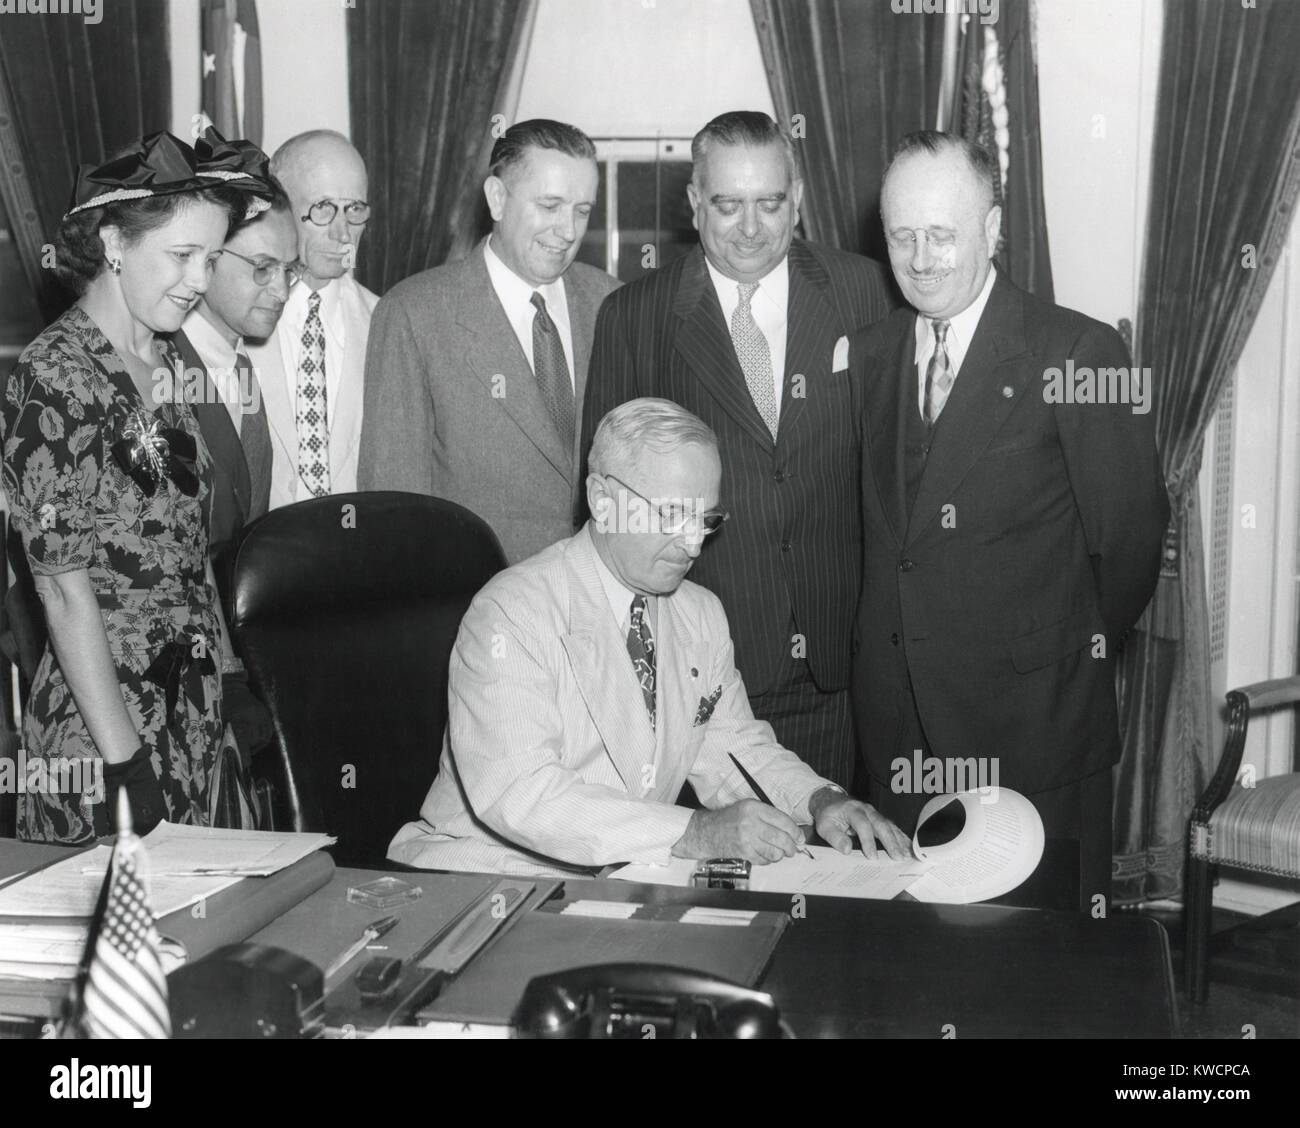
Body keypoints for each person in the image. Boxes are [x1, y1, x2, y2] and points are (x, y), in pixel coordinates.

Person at [848, 131, 1169, 909]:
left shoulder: (1079, 352)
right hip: (898, 739)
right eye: (902, 236)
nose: (921, 259)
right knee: (906, 983)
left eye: (943, 235)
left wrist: (1050, 656)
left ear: (993, 229)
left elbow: (1129, 542)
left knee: (1038, 988)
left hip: (1035, 737)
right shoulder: (870, 353)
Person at [389, 398, 909, 875]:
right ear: (601, 499)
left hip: (622, 877)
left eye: (705, 519)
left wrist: (820, 801)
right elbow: (521, 793)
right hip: (488, 877)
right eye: (671, 514)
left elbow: (729, 742)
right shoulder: (512, 612)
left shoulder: (699, 614)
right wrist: (694, 832)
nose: (693, 543)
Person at [581, 111, 893, 790]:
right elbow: (607, 516)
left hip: (840, 675)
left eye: (770, 203)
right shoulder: (635, 316)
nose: (751, 227)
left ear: (799, 200)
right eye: (727, 204)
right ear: (694, 203)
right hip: (693, 680)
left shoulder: (864, 291)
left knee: (832, 876)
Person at [0, 130, 273, 842]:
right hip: (103, 730)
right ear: (116, 244)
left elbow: (183, 544)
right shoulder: (55, 374)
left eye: (211, 258)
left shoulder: (167, 355)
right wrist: (124, 764)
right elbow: (62, 587)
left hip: (194, 712)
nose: (198, 279)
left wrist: (231, 674)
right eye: (180, 255)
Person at [358, 119, 619, 564]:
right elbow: (394, 509)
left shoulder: (612, 303)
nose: (569, 230)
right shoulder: (414, 313)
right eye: (550, 205)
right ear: (497, 198)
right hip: (475, 607)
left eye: (582, 210)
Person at [170, 139, 295, 764]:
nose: (281, 290)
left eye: (289, 272)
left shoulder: (237, 364)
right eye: (262, 268)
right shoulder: (160, 369)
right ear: (209, 259)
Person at [245, 130, 378, 508]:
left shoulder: (387, 324)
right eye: (322, 208)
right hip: (250, 558)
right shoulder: (230, 319)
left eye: (355, 209)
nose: (342, 233)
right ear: (278, 207)